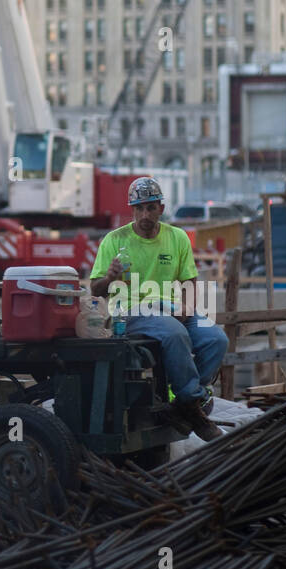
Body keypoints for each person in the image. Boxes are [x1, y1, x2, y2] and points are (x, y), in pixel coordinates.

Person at [89, 176, 228, 441]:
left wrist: (187, 305)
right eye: (138, 208)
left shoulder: (177, 238)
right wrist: (109, 278)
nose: (144, 214)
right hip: (130, 310)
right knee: (175, 333)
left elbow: (188, 279)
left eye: (150, 207)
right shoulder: (114, 240)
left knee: (216, 339)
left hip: (169, 308)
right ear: (131, 210)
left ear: (161, 208)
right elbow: (95, 290)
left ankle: (180, 405)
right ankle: (193, 404)